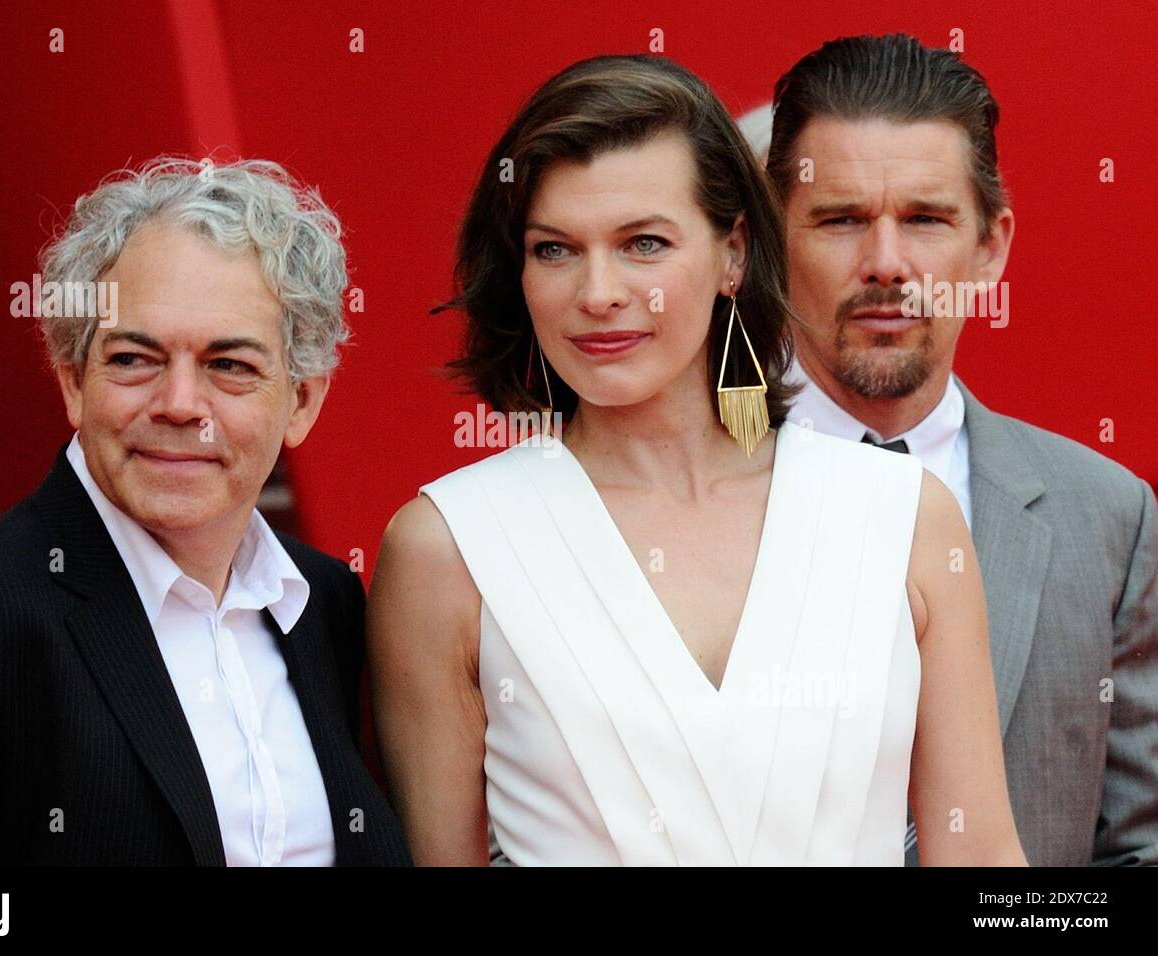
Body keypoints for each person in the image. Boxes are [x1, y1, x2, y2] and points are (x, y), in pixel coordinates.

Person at [366, 54, 1026, 865]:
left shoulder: (905, 515)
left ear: (733, 254)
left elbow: (988, 865)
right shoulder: (446, 548)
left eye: (643, 243)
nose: (599, 290)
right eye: (555, 249)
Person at [0, 157, 410, 866]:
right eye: (133, 358)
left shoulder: (321, 601)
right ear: (73, 381)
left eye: (230, 366)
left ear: (302, 400)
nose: (179, 404)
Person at [767, 33, 1158, 866]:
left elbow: (1137, 848)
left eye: (925, 220)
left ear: (990, 247)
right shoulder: (671, 496)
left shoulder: (1110, 516)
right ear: (767, 244)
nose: (885, 264)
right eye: (839, 220)